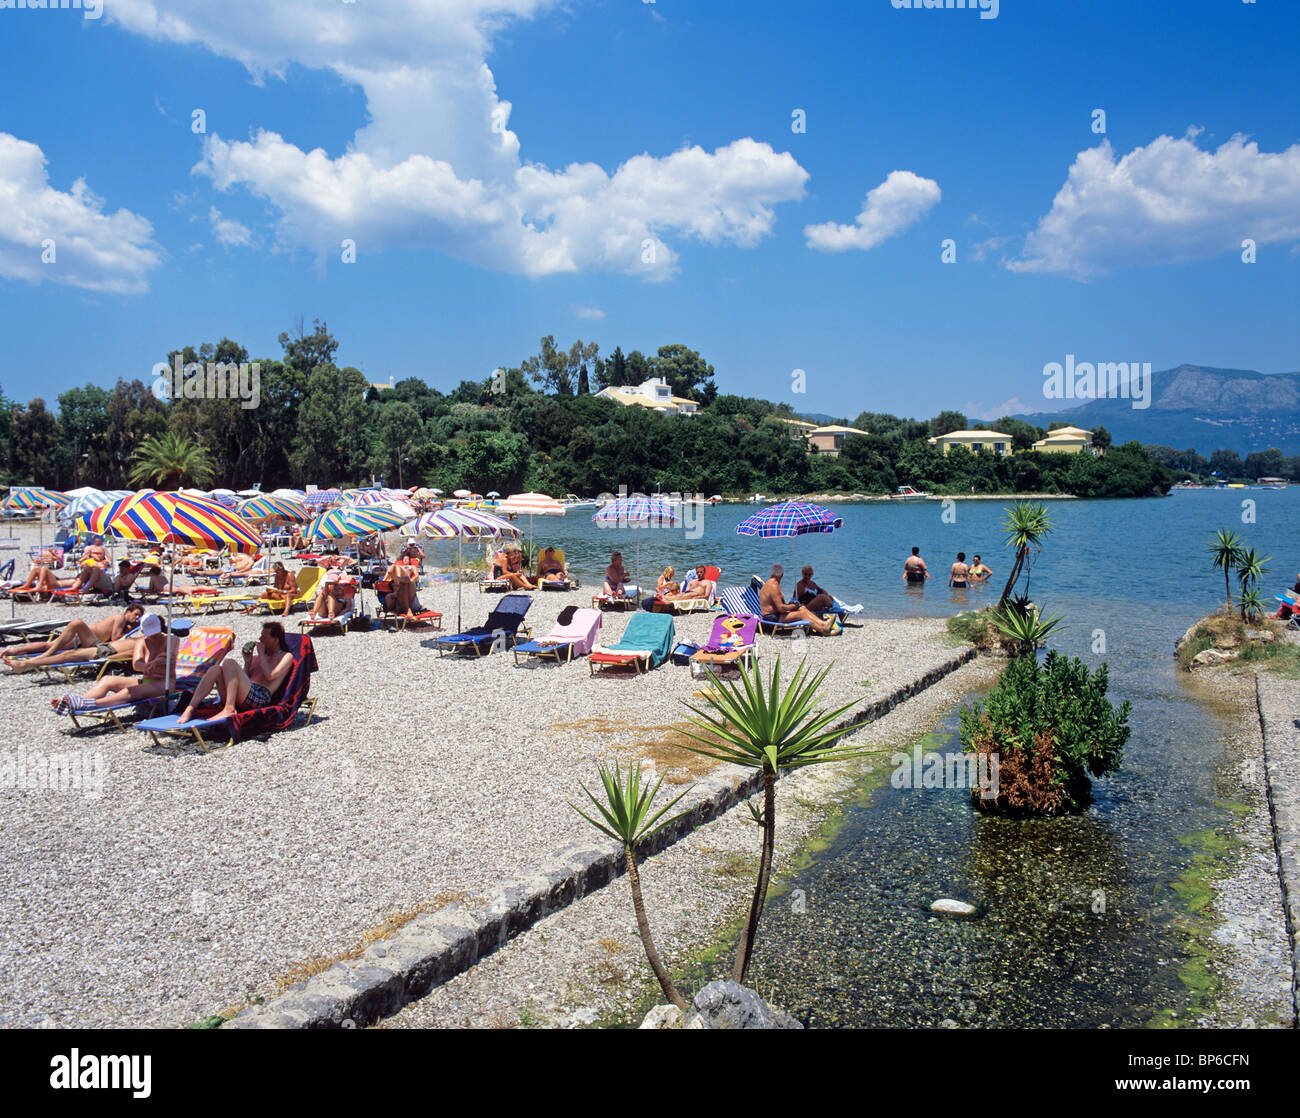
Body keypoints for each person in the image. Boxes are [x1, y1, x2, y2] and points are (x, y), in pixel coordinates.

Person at [52, 612, 179, 713]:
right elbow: (136, 664)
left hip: (164, 683)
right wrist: (146, 667)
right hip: (146, 680)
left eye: (156, 634)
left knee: (129, 691)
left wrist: (157, 662)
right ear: (143, 631)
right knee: (107, 680)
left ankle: (89, 705)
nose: (154, 637)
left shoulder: (172, 639)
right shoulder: (142, 641)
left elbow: (171, 656)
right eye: (151, 634)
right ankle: (80, 700)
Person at [176, 621, 295, 725]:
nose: (260, 639)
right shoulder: (257, 658)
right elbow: (244, 678)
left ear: (275, 639)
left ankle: (229, 708)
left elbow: (270, 676)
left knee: (229, 662)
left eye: (264, 636)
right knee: (215, 669)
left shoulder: (286, 656)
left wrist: (262, 654)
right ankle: (190, 708)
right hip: (245, 695)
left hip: (261, 697)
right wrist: (248, 662)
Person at [3, 604, 145, 670]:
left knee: (50, 645)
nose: (136, 618)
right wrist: (127, 632)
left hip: (91, 642)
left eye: (139, 616)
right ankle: (21, 653)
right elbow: (115, 638)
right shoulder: (120, 618)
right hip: (87, 638)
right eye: (135, 614)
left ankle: (15, 651)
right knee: (52, 643)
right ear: (127, 611)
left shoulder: (124, 622)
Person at [759, 564, 837, 635]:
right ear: (782, 575)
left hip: (775, 614)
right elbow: (781, 608)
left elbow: (779, 606)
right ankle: (823, 630)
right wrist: (794, 606)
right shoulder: (774, 586)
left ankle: (823, 624)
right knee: (802, 614)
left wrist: (794, 606)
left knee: (803, 608)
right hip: (773, 617)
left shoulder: (769, 583)